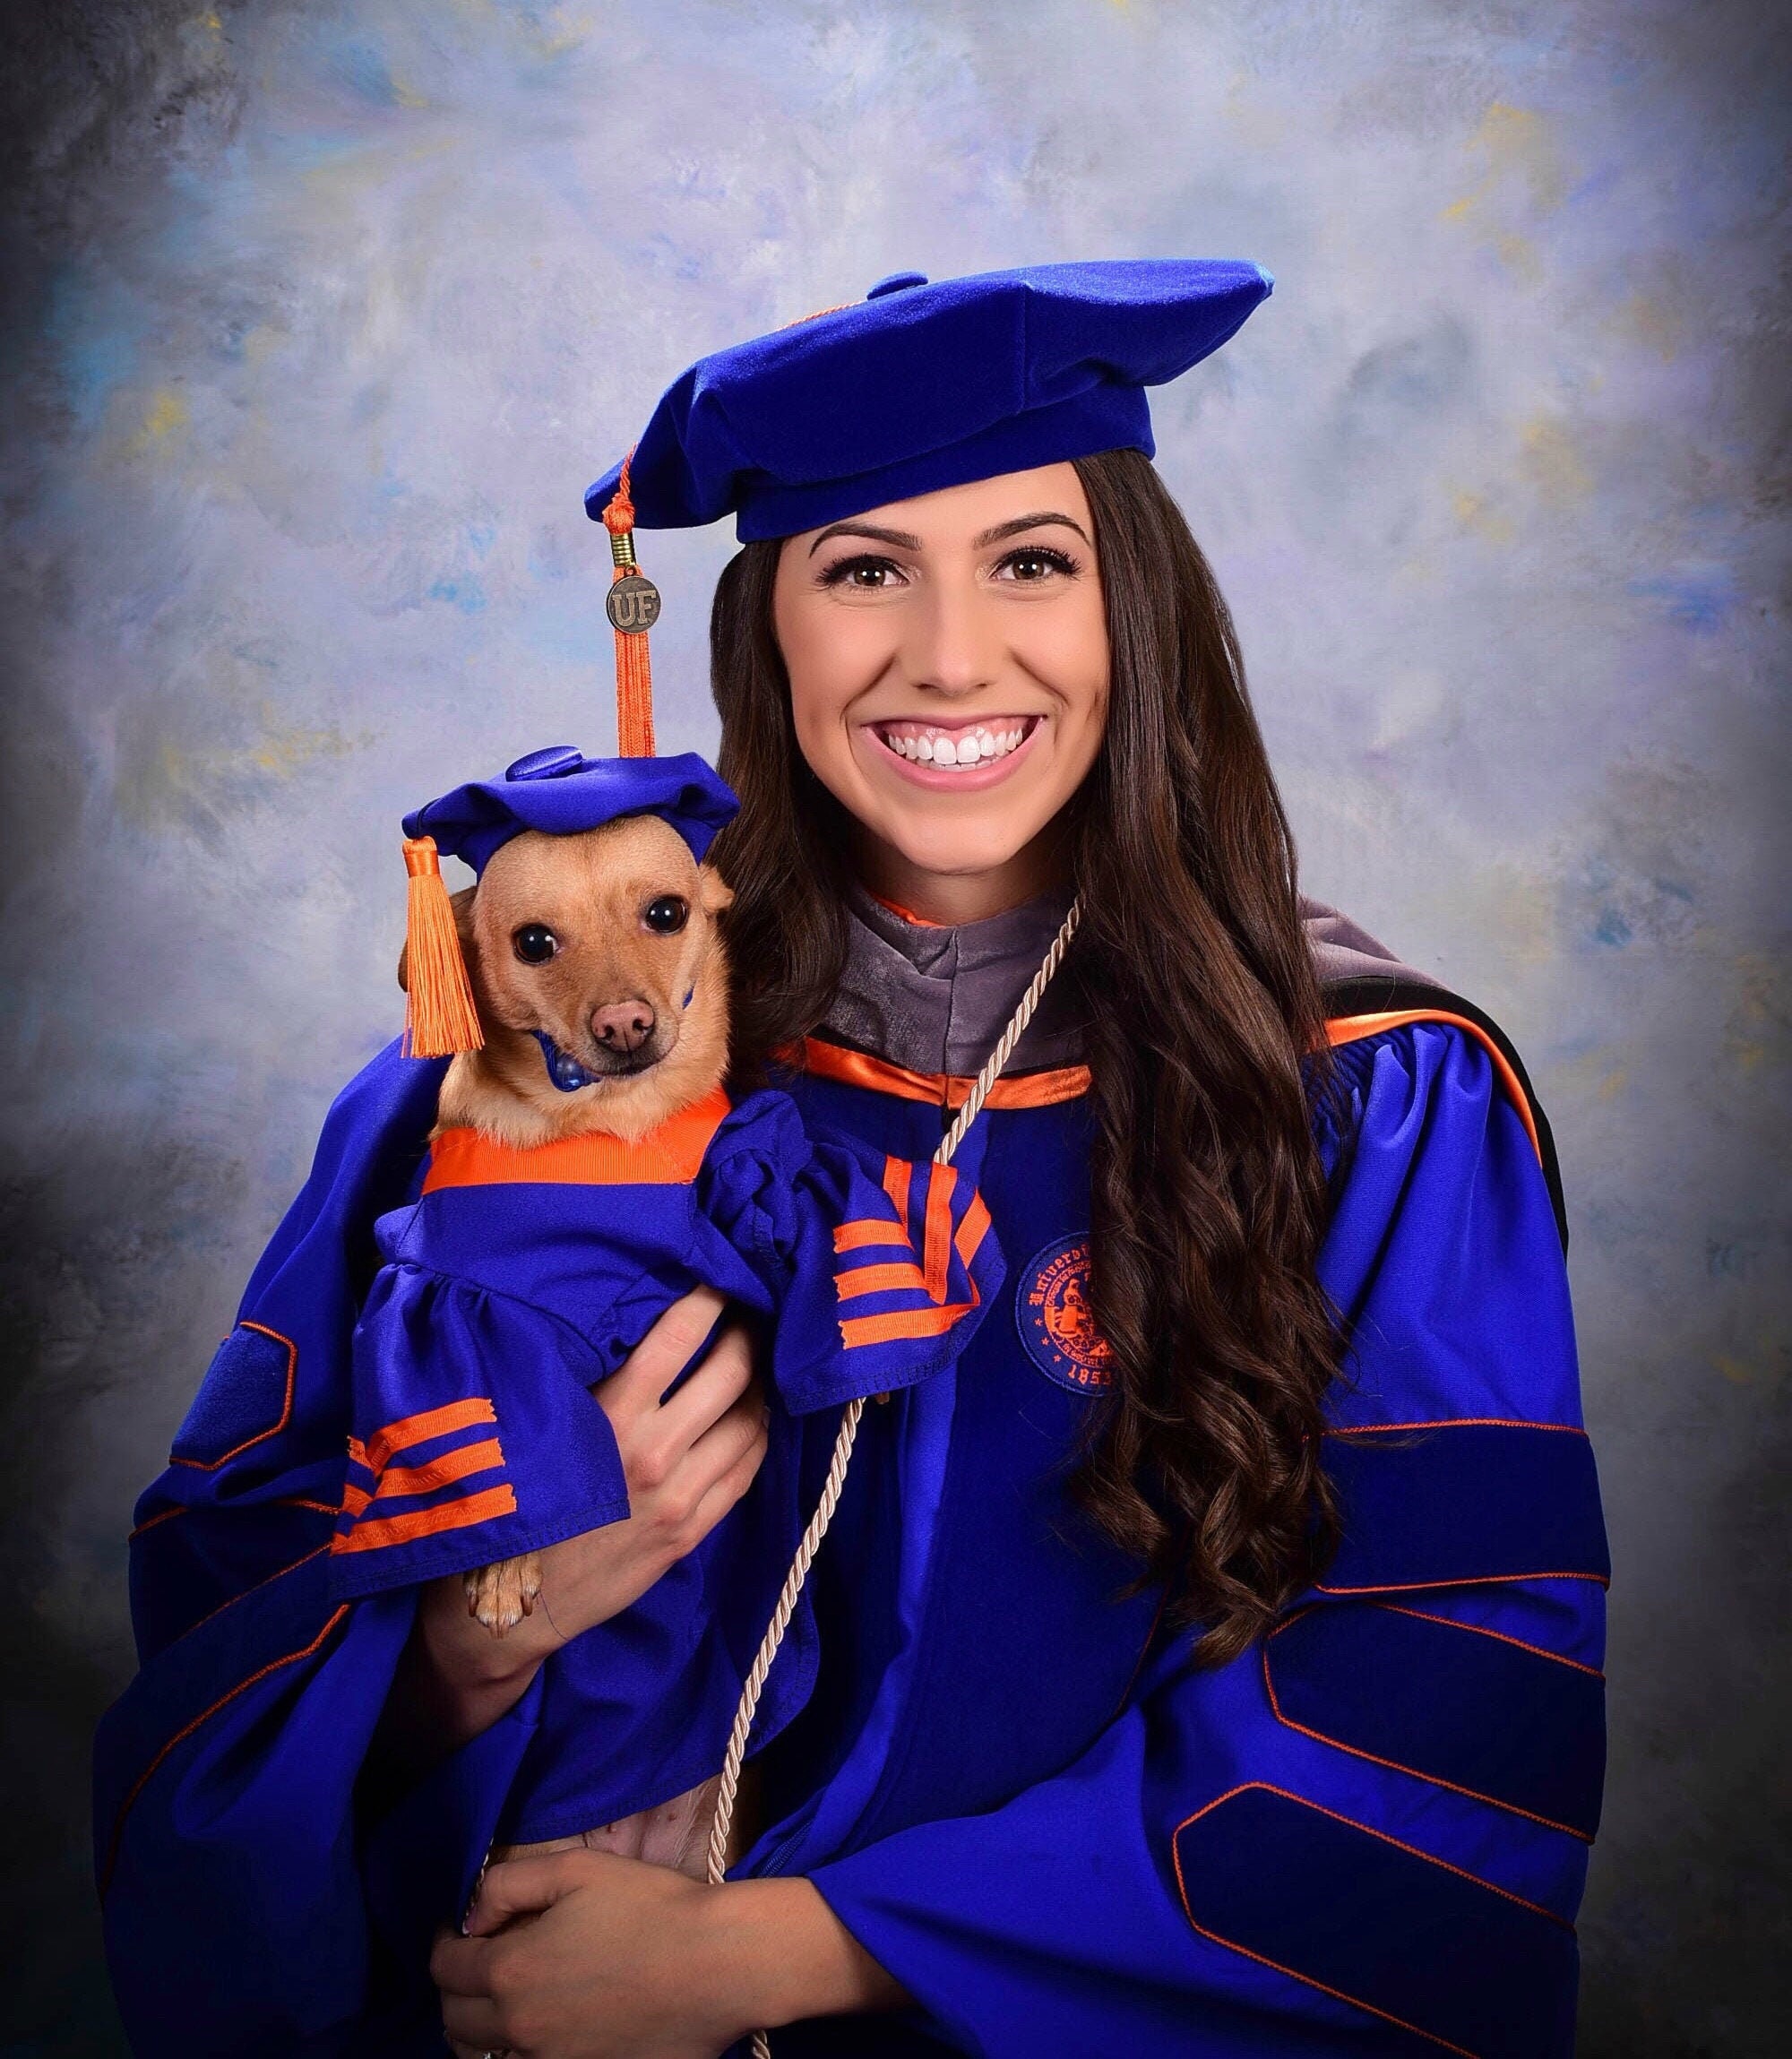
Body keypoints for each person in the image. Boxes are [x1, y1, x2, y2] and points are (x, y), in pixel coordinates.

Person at [97, 263, 1607, 2059]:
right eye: (864, 569)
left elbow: (1439, 1720)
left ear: (1136, 608)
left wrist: (790, 1951)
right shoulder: (514, 1108)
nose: (952, 653)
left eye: (1031, 561)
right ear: (769, 636)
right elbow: (209, 1649)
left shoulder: (1369, 1101)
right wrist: (471, 1639)